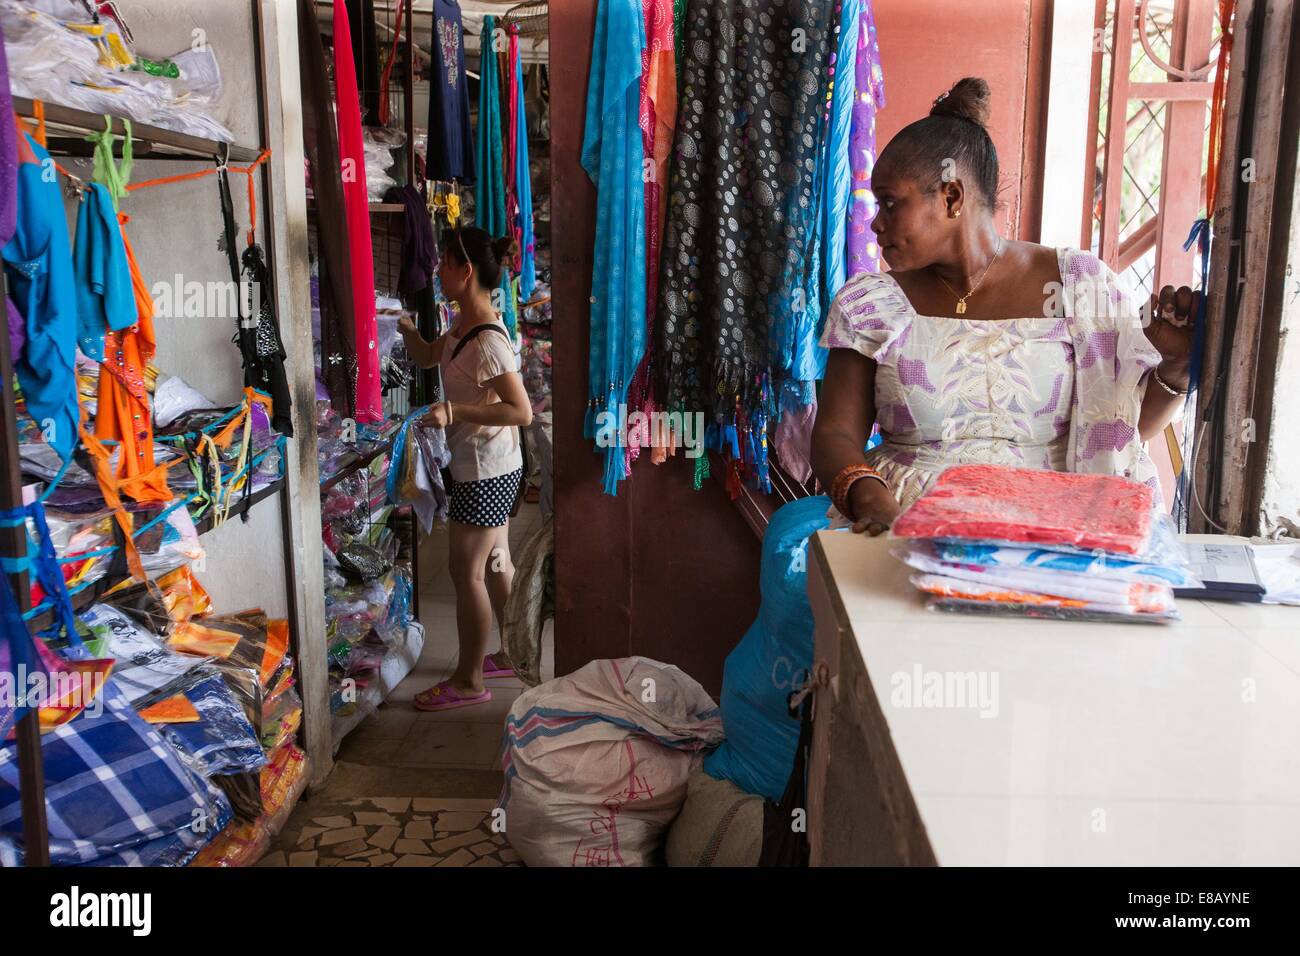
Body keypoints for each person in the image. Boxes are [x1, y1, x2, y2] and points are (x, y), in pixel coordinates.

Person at [812, 77, 1197, 534]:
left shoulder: (1080, 287)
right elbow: (835, 434)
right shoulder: (871, 305)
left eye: (891, 204)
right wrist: (869, 497)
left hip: (1055, 531)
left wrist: (1175, 368)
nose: (876, 223)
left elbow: (1122, 429)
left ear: (952, 197)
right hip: (907, 527)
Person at [399, 226, 533, 710]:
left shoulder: (488, 341)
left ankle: (468, 679)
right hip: (484, 465)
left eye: (445, 263)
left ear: (466, 271)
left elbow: (522, 412)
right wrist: (411, 333)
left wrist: (455, 413)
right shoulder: (461, 327)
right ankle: (518, 655)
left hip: (488, 470)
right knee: (496, 564)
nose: (439, 271)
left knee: (466, 571)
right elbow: (430, 355)